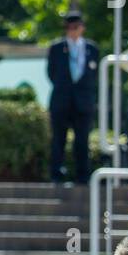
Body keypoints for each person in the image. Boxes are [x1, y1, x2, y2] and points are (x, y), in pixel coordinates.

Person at [46, 9, 99, 184]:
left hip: (83, 103)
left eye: (76, 27)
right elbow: (51, 73)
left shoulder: (92, 49)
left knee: (82, 141)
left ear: (82, 28)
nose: (72, 31)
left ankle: (83, 176)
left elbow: (94, 75)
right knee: (58, 139)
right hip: (61, 101)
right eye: (69, 27)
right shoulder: (56, 48)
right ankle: (56, 174)